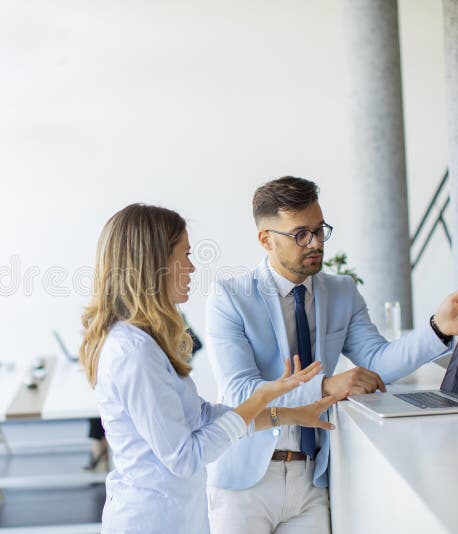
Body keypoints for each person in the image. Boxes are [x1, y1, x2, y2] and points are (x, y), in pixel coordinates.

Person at [205, 176, 458, 534]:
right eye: (301, 234)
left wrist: (439, 328)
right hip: (244, 484)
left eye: (320, 230)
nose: (316, 242)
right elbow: (239, 393)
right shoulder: (230, 298)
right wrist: (325, 386)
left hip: (311, 481)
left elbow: (377, 360)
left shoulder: (342, 291)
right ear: (266, 239)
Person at [79, 203, 344, 534]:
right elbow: (185, 456)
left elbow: (202, 416)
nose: (192, 268)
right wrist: (260, 396)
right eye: (185, 255)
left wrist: (289, 414)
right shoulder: (132, 353)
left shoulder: (146, 343)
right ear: (156, 264)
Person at [83, 315, 203, 472]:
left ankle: (98, 445)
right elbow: (182, 458)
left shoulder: (136, 344)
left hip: (163, 464)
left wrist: (169, 364)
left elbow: (196, 344)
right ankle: (98, 444)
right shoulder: (130, 344)